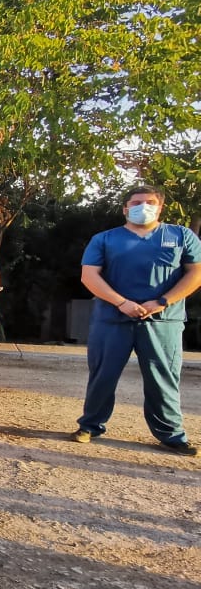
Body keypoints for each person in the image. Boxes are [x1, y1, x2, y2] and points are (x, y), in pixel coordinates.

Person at [72, 185, 201, 455]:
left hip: (163, 321)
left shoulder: (181, 236)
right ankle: (90, 425)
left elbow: (195, 273)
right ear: (125, 208)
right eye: (136, 202)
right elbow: (89, 276)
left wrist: (162, 301)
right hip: (112, 319)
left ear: (160, 207)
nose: (144, 207)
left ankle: (172, 435)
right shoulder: (105, 239)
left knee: (163, 378)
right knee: (103, 375)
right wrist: (121, 302)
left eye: (150, 202)